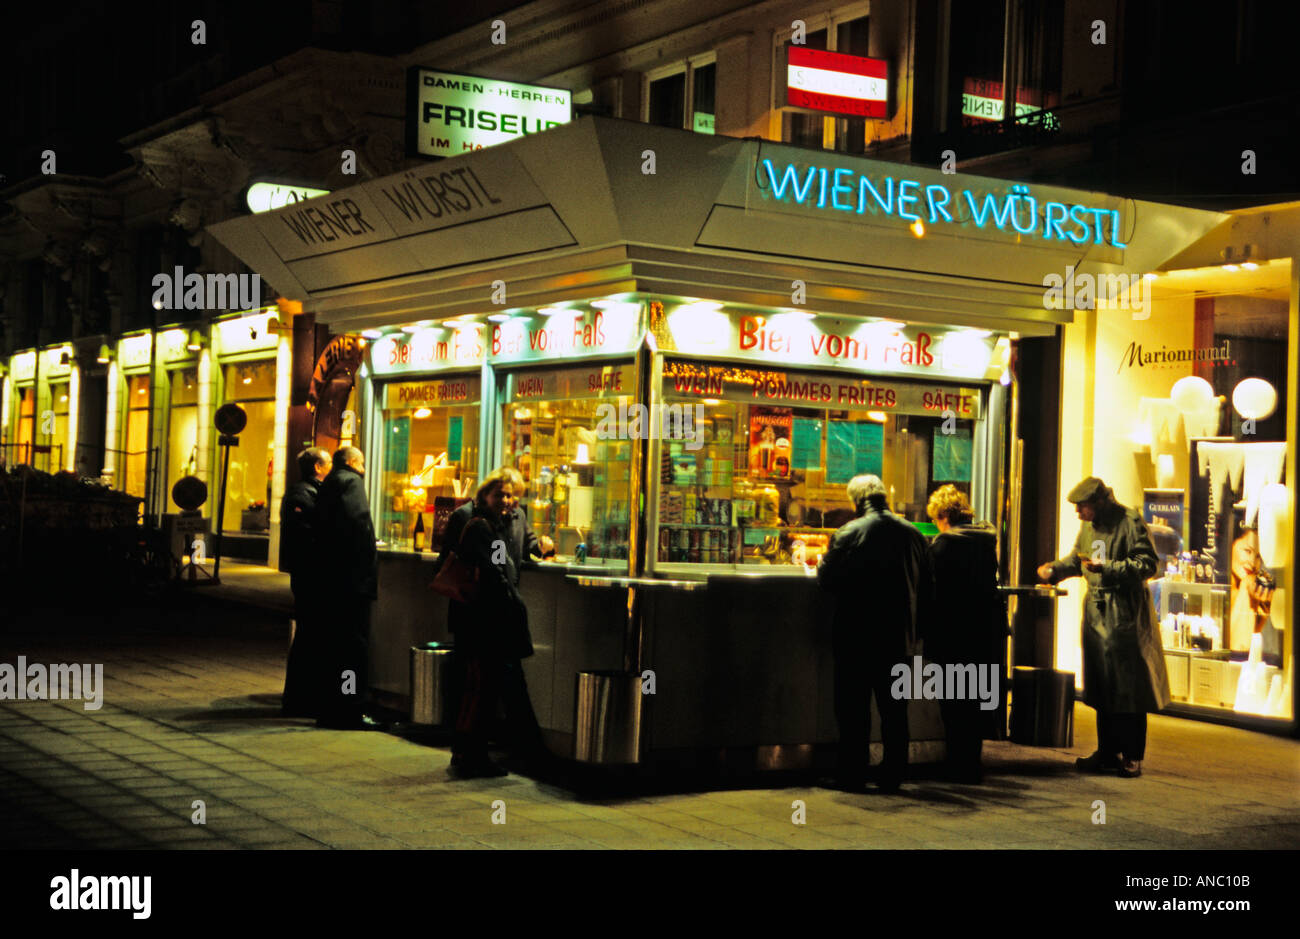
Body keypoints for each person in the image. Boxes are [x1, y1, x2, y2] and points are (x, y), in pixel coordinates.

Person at [1038, 476, 1170, 778]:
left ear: (1098, 502)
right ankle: (1107, 751)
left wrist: (1109, 568)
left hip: (1124, 614)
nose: (1077, 513)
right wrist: (1054, 570)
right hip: (1097, 616)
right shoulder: (1090, 525)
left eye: (1081, 507)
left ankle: (1132, 754)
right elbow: (1078, 558)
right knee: (1102, 684)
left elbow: (1148, 563)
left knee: (1129, 688)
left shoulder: (1130, 522)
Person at [817, 474, 933, 793]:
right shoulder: (914, 534)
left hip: (856, 635)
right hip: (899, 638)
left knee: (853, 709)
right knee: (895, 710)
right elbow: (928, 588)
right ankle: (893, 774)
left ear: (857, 501)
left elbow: (826, 580)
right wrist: (917, 632)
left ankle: (852, 774)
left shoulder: (849, 532)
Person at [439, 468, 547, 778]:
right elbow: (495, 572)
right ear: (485, 494)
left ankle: (475, 752)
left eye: (511, 495)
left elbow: (515, 554)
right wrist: (514, 604)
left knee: (485, 688)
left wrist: (539, 548)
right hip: (483, 618)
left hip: (489, 617)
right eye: (499, 494)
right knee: (481, 688)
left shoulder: (501, 522)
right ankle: (474, 754)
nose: (507, 500)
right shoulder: (479, 526)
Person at [924, 485, 1006, 783]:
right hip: (983, 629)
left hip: (952, 629)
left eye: (936, 518)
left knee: (953, 700)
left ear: (944, 514)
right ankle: (972, 762)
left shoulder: (944, 545)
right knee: (973, 698)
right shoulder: (986, 540)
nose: (936, 524)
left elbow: (931, 589)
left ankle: (958, 764)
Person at [313, 446, 380, 730]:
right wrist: (368, 558)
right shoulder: (351, 481)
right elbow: (359, 523)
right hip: (352, 582)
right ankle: (350, 706)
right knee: (353, 650)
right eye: (362, 463)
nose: (364, 468)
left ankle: (332, 707)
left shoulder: (329, 482)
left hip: (332, 580)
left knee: (336, 648)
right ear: (353, 462)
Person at [280, 447, 330, 717]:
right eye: (329, 463)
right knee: (308, 634)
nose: (332, 468)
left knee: (310, 635)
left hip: (308, 573)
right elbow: (306, 534)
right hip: (309, 575)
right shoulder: (303, 494)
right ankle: (298, 699)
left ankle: (304, 696)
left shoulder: (309, 491)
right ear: (318, 468)